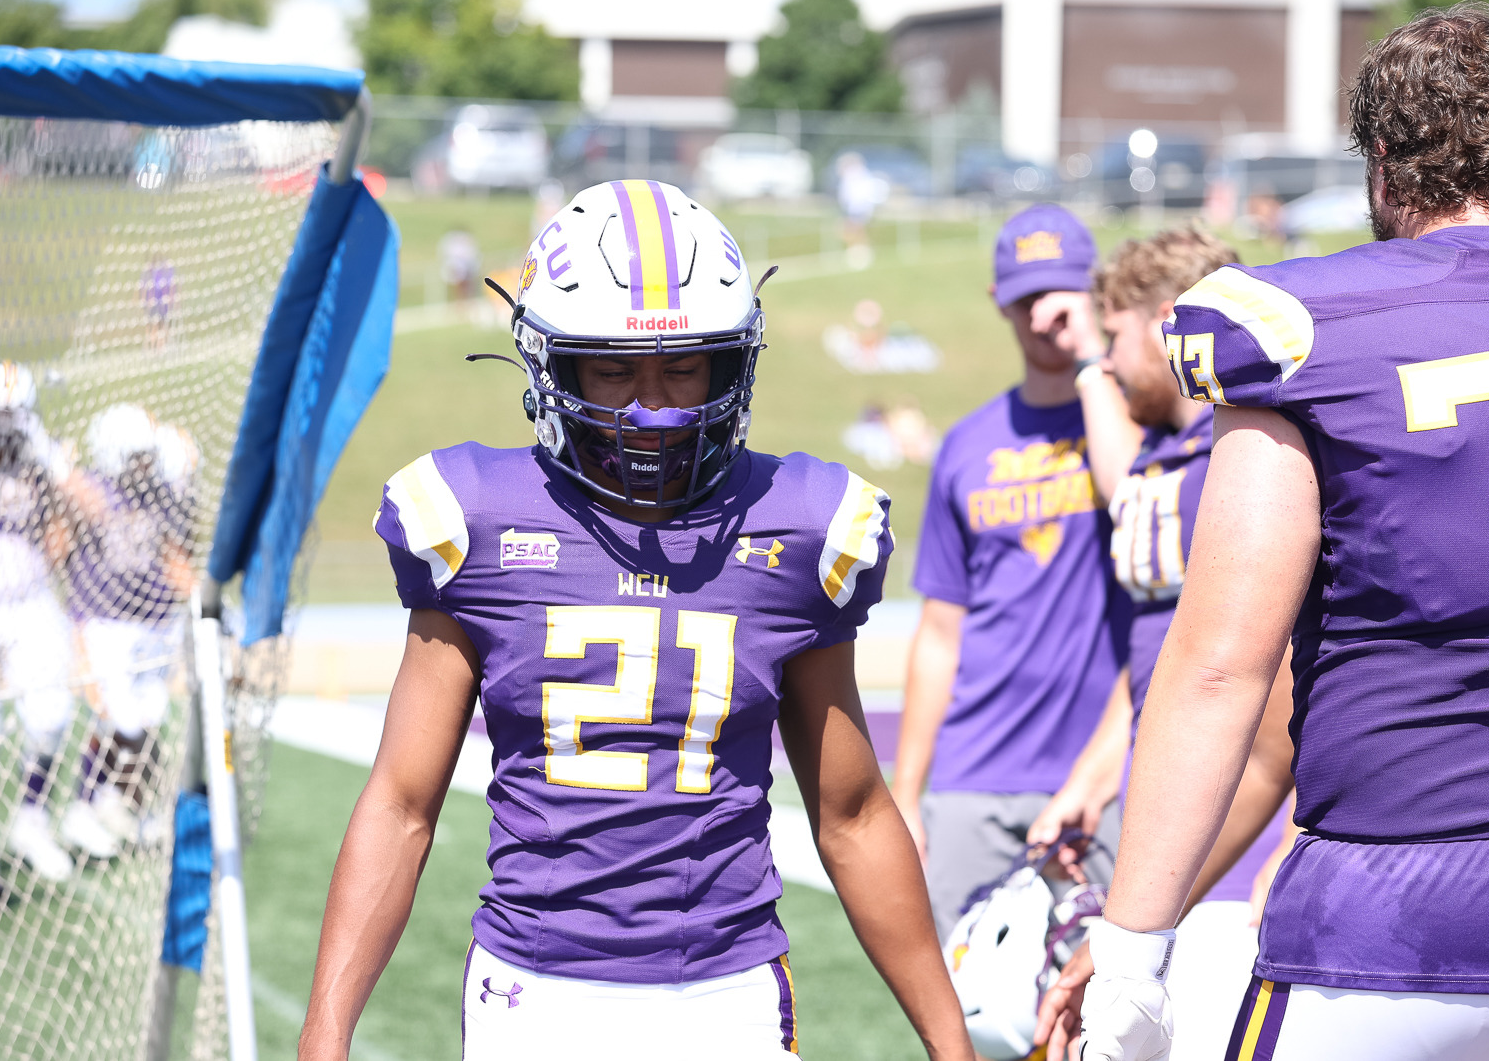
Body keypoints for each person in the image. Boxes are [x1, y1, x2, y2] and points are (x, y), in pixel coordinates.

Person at [297, 180, 973, 1061]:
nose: (653, 406)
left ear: (733, 364)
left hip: (726, 990)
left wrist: (949, 1038)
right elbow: (400, 801)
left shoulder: (803, 524)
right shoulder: (476, 518)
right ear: (554, 365)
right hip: (536, 991)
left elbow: (849, 812)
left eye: (684, 365)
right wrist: (326, 1030)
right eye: (614, 368)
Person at [1078, 5, 1489, 1060]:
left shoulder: (1302, 326)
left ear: (1384, 162)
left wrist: (1131, 949)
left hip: (1394, 906)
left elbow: (1218, 669)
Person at [1020, 227, 1299, 1060]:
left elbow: (1279, 665)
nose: (1106, 360)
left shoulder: (1247, 456)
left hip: (1225, 808)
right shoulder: (1175, 454)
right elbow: (1163, 649)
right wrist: (1097, 772)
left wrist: (1295, 830)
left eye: (1115, 336)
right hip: (1170, 788)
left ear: (1168, 321)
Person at [891, 204, 1130, 943]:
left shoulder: (1133, 426)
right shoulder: (966, 445)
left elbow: (1130, 494)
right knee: (973, 1020)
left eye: (1062, 292)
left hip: (1102, 776)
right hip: (974, 779)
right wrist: (908, 790)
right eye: (1027, 296)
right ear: (998, 302)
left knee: (1105, 1027)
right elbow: (939, 631)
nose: (1045, 313)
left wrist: (1095, 360)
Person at [0, 361, 117, 886]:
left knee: (49, 715)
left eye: (13, 416)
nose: (6, 426)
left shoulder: (44, 459)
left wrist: (47, 457)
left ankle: (32, 818)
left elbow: (93, 512)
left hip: (35, 599)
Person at [63, 405, 197, 847]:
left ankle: (119, 804)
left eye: (147, 456)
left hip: (152, 621)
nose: (143, 466)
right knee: (118, 718)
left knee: (147, 716)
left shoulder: (160, 493)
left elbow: (176, 556)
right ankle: (88, 804)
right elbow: (73, 497)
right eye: (135, 456)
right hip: (105, 619)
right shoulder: (91, 489)